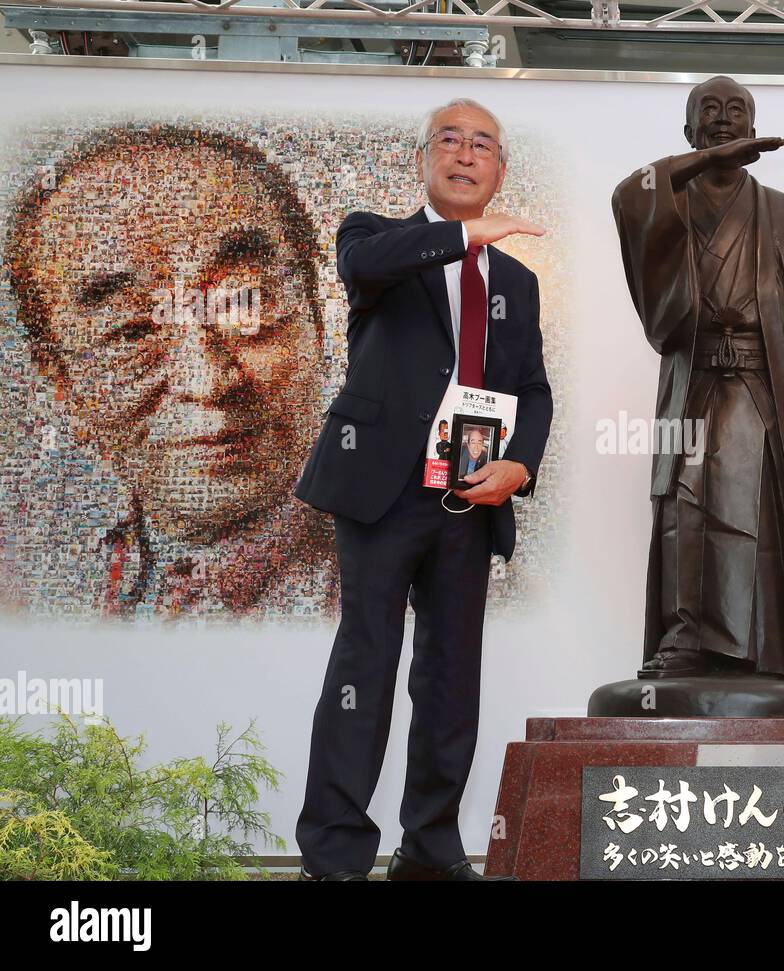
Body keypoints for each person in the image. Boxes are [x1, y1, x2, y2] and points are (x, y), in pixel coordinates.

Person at [293, 98, 551, 881]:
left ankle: (432, 850)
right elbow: (363, 270)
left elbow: (534, 390)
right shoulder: (373, 236)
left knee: (450, 677)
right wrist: (462, 235)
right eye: (451, 139)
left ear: (500, 167)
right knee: (362, 669)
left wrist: (521, 465)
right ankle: (334, 857)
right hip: (381, 488)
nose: (467, 154)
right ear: (425, 158)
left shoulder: (517, 280)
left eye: (484, 145)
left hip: (468, 495)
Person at [611, 76, 784, 684]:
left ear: (754, 126)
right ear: (689, 132)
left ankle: (780, 650)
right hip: (695, 378)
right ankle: (687, 641)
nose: (724, 119)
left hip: (768, 386)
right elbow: (630, 195)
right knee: (688, 506)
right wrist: (703, 164)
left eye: (737, 110)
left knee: (764, 514)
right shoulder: (669, 208)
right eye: (709, 111)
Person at [2, 125, 335, 617]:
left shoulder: (411, 579)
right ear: (62, 385)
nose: (209, 381)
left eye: (247, 303)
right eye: (132, 333)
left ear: (316, 314)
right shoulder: (43, 591)